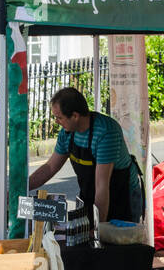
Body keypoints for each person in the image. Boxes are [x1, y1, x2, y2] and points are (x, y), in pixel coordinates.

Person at [29, 87, 142, 228]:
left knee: (117, 239)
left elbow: (102, 185)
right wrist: (21, 188)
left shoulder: (106, 132)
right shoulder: (67, 133)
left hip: (122, 195)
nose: (56, 122)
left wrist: (97, 229)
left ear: (75, 116)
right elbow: (50, 167)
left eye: (59, 117)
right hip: (91, 194)